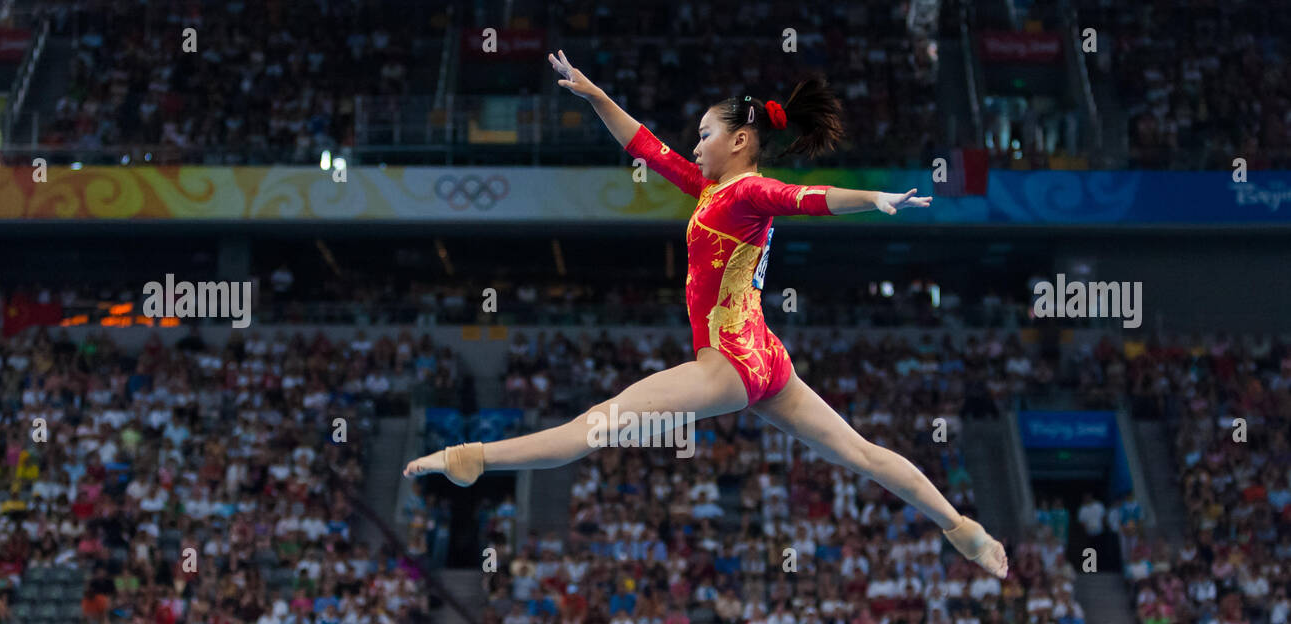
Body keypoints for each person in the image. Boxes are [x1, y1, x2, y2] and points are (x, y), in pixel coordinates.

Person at [403, 52, 1008, 581]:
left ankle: (476, 456)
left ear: (738, 140)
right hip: (766, 358)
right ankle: (963, 529)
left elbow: (804, 198)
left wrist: (873, 199)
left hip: (729, 363)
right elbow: (645, 146)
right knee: (863, 455)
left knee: (597, 425)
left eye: (703, 134)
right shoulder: (711, 191)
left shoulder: (745, 192)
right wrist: (595, 96)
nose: (694, 145)